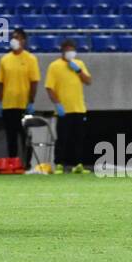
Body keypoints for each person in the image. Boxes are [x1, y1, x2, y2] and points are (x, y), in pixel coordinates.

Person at [46, 38, 92, 173]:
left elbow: (88, 81)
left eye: (72, 50)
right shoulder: (54, 66)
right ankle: (59, 163)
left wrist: (78, 71)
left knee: (79, 138)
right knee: (62, 138)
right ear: (62, 51)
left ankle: (78, 164)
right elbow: (49, 88)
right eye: (67, 50)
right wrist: (57, 105)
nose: (70, 52)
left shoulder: (80, 64)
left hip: (79, 108)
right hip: (64, 110)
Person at [0, 28, 40, 164]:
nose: (14, 40)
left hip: (23, 104)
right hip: (9, 104)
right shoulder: (5, 59)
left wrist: (31, 101)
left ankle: (27, 163)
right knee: (11, 136)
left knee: (25, 136)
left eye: (18, 37)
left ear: (23, 41)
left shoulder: (30, 59)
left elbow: (34, 81)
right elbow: (1, 82)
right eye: (13, 37)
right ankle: (12, 163)